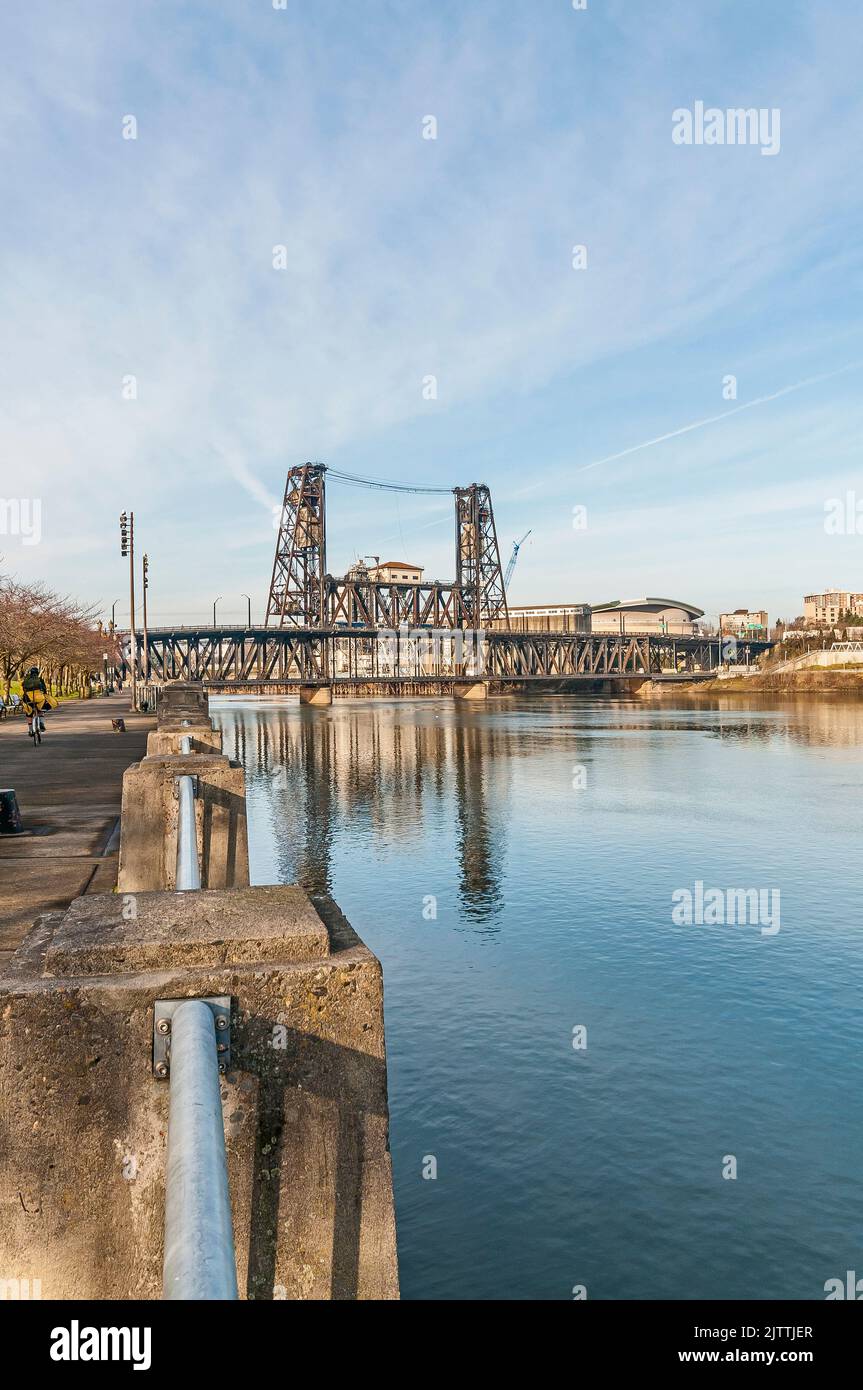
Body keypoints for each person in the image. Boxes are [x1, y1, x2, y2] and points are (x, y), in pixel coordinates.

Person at [21, 666, 49, 736]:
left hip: (28, 699)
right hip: (39, 699)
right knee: (41, 710)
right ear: (37, 673)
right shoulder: (40, 680)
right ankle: (41, 724)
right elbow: (44, 690)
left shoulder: (26, 680)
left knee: (29, 714)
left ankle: (30, 730)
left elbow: (22, 690)